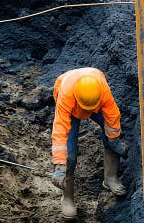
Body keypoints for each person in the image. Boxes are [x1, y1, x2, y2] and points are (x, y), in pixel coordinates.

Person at [51, 67, 128, 219]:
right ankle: (67, 198)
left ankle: (110, 178)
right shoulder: (66, 95)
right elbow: (60, 130)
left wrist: (114, 141)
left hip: (94, 103)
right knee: (69, 155)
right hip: (72, 109)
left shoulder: (102, 91)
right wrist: (59, 165)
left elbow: (112, 117)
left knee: (109, 134)